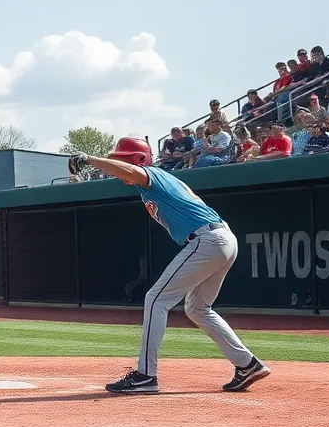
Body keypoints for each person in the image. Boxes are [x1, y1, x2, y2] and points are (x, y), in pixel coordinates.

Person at [66, 139, 270, 394]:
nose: (118, 167)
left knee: (155, 299)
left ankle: (145, 375)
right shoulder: (155, 182)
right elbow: (129, 172)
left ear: (138, 160)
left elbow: (132, 172)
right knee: (197, 308)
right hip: (220, 239)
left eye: (122, 159)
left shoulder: (153, 174)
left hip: (208, 239)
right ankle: (247, 364)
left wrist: (90, 159)